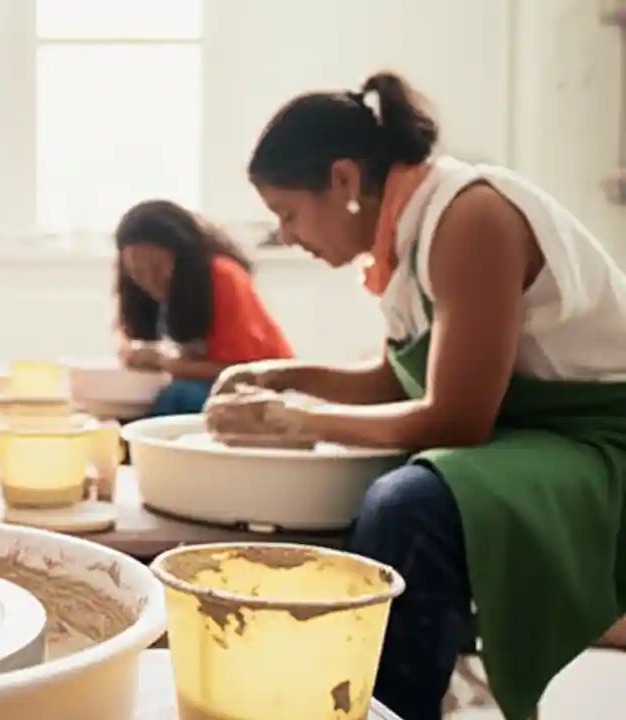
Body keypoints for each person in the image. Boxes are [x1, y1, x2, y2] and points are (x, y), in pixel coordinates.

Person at [205, 71, 626, 720]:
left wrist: (300, 419)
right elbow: (389, 383)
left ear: (344, 181)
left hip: (601, 440)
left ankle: (398, 705)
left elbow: (456, 418)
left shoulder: (470, 215)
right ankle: (411, 677)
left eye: (288, 213)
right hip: (536, 431)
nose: (286, 236)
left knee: (408, 502)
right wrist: (280, 376)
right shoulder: (408, 234)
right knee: (369, 479)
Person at [114, 199, 292, 416]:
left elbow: (242, 372)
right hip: (204, 387)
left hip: (263, 389)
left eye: (158, 267)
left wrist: (165, 362)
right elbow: (130, 345)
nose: (150, 279)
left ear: (182, 257)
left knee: (179, 396)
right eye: (137, 272)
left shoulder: (223, 276)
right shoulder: (139, 293)